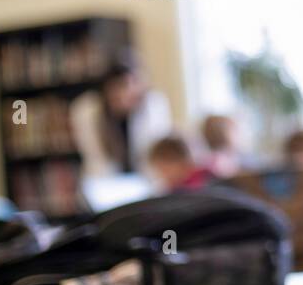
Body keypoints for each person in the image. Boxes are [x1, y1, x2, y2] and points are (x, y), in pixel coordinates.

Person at [70, 51, 172, 179]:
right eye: (117, 87)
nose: (123, 94)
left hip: (147, 182)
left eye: (130, 85)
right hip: (106, 183)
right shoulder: (87, 111)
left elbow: (156, 152)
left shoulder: (153, 105)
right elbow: (95, 158)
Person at [147, 135, 215, 193]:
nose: (163, 175)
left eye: (165, 169)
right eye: (159, 171)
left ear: (183, 162)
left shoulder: (204, 180)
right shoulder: (173, 188)